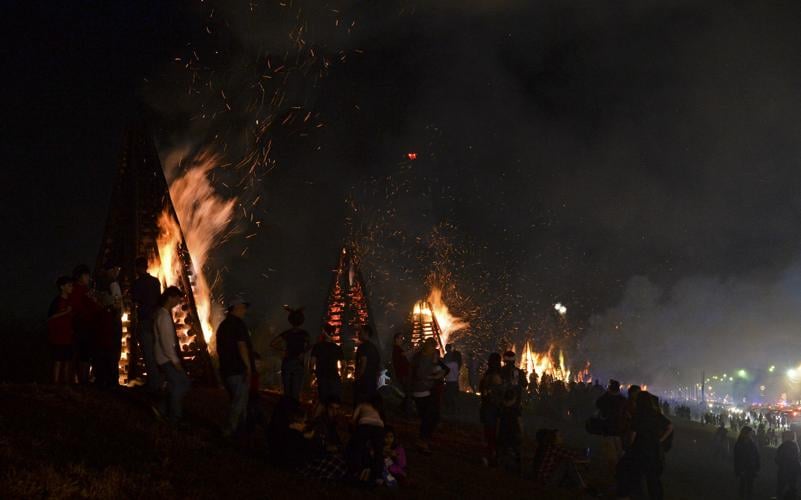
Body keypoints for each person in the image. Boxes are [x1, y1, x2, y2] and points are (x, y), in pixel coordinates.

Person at [215, 297, 253, 437]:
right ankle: (229, 430)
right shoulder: (238, 324)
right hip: (238, 370)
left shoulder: (223, 325)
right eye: (243, 307)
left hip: (226, 369)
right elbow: (241, 346)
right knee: (239, 402)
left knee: (239, 400)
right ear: (236, 308)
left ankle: (241, 430)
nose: (245, 310)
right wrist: (248, 367)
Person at [626, 391, 672, 500]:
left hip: (639, 448)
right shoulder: (655, 414)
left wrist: (629, 446)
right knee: (653, 478)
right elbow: (670, 426)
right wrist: (661, 440)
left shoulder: (638, 415)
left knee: (637, 476)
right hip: (654, 449)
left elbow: (633, 434)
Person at [153, 286, 190, 424]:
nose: (178, 302)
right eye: (177, 298)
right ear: (170, 298)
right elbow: (166, 342)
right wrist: (175, 361)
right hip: (166, 359)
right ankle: (175, 416)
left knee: (174, 385)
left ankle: (161, 409)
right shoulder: (163, 316)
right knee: (182, 384)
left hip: (164, 357)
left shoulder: (161, 313)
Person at [410, 338, 449, 454]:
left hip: (427, 391)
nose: (434, 349)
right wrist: (433, 377)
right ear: (429, 347)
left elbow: (445, 369)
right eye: (433, 347)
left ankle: (424, 440)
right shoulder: (420, 358)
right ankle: (423, 441)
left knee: (430, 418)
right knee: (428, 418)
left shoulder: (430, 358)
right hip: (421, 391)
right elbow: (418, 374)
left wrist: (439, 373)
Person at [132, 256, 162, 393]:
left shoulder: (137, 283)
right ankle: (158, 381)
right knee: (156, 352)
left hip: (144, 320)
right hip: (155, 320)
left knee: (148, 353)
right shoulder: (155, 281)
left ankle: (154, 384)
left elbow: (135, 299)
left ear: (138, 268)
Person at [270, 307, 309, 401]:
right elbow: (309, 346)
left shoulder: (287, 333)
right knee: (295, 392)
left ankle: (286, 407)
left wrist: (282, 350)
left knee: (287, 392)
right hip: (298, 363)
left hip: (287, 362)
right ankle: (293, 408)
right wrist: (303, 352)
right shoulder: (304, 334)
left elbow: (273, 343)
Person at [93, 263, 123, 387]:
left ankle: (104, 379)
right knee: (112, 350)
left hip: (106, 320)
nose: (117, 271)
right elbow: (117, 302)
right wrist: (116, 311)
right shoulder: (112, 284)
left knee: (106, 349)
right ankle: (111, 380)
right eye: (115, 269)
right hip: (111, 320)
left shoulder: (99, 285)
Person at [347, 393, 386, 484]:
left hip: (365, 425)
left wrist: (352, 428)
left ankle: (356, 471)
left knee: (359, 448)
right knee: (378, 452)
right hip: (379, 427)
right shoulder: (378, 408)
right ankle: (378, 476)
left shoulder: (362, 405)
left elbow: (353, 419)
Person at [70, 264, 98, 384]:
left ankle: (83, 380)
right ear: (79, 277)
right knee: (82, 353)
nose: (88, 278)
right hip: (80, 325)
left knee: (85, 353)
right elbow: (78, 307)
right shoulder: (76, 290)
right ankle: (81, 381)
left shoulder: (85, 290)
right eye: (86, 275)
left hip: (87, 325)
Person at [47, 276, 74, 384]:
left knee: (67, 361)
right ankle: (56, 384)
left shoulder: (70, 301)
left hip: (67, 335)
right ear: (62, 287)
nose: (71, 287)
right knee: (58, 360)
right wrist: (65, 312)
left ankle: (65, 384)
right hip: (58, 336)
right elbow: (50, 316)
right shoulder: (57, 301)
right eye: (69, 285)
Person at [479, 352, 503, 466]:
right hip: (492, 407)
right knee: (492, 432)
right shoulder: (497, 374)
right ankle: (491, 455)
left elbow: (483, 390)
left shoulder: (489, 374)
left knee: (489, 432)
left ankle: (490, 455)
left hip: (489, 407)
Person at [310, 323, 344, 403]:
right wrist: (341, 376)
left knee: (323, 400)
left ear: (324, 332)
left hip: (322, 376)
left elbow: (312, 363)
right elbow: (344, 364)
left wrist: (312, 373)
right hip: (334, 377)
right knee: (333, 400)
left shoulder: (317, 346)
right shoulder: (337, 348)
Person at [354, 325, 381, 405]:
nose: (358, 334)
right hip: (372, 381)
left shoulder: (363, 347)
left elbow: (363, 363)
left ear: (366, 333)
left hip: (364, 382)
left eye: (360, 332)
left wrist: (357, 378)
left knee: (361, 404)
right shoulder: (374, 347)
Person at [734, 426, 760, 500]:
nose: (752, 434)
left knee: (750, 486)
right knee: (743, 485)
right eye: (750, 433)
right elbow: (737, 458)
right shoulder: (739, 444)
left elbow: (757, 455)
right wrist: (739, 470)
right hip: (744, 468)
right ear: (745, 433)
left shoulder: (752, 443)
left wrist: (757, 466)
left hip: (751, 468)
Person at [776, 430, 800, 500]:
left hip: (784, 470)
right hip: (793, 471)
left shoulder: (783, 446)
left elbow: (778, 459)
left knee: (782, 488)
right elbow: (796, 459)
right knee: (792, 487)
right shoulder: (795, 446)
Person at [391, 332, 412, 413]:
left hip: (404, 374)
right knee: (407, 394)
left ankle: (402, 409)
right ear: (396, 339)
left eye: (402, 338)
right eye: (401, 338)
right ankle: (405, 411)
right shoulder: (396, 348)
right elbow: (403, 354)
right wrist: (413, 350)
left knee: (407, 394)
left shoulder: (398, 348)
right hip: (403, 375)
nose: (402, 340)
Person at [443, 343, 462, 410]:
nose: (446, 349)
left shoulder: (452, 359)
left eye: (446, 348)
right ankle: (453, 406)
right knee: (451, 393)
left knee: (451, 393)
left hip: (451, 379)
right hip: (451, 379)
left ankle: (453, 407)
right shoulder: (450, 358)